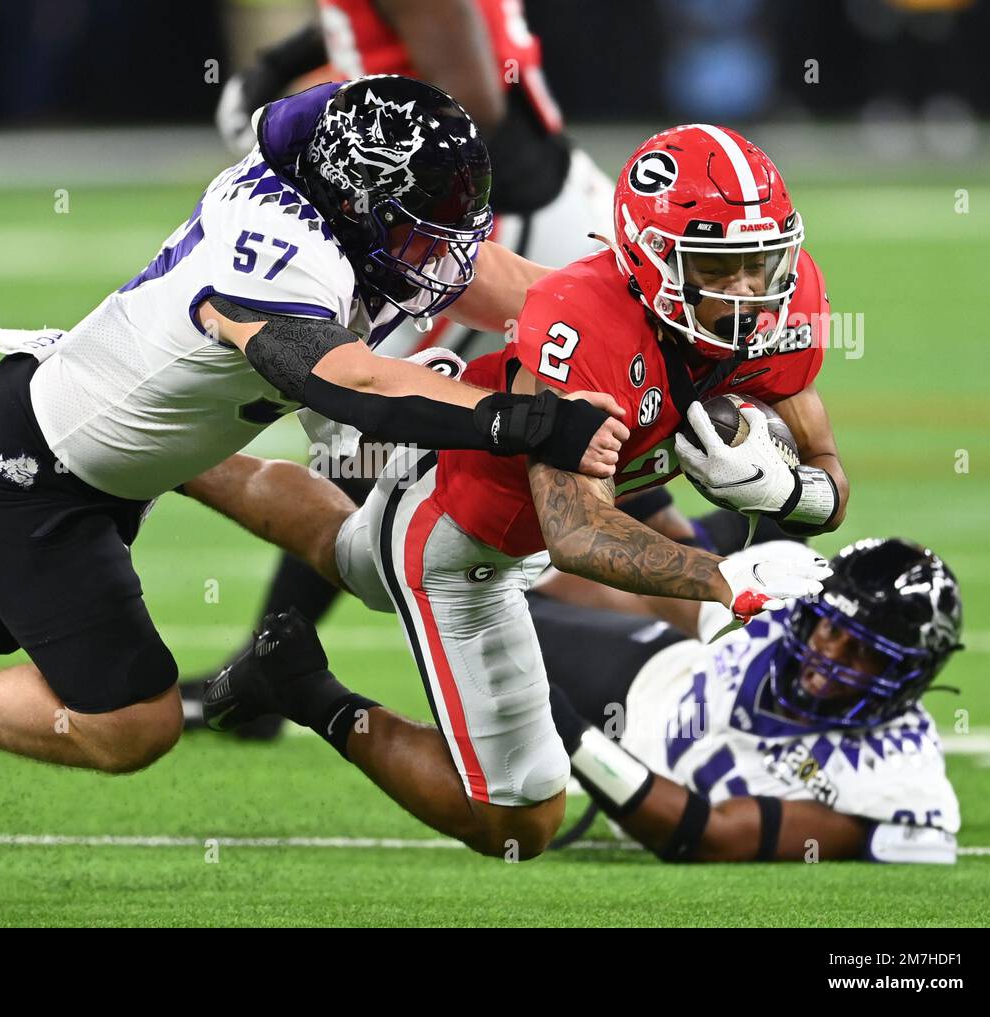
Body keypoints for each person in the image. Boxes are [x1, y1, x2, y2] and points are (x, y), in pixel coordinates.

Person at [0, 75, 631, 911]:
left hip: (78, 424)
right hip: (37, 475)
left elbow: (493, 281)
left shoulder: (330, 180)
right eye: (414, 227)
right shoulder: (281, 261)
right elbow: (356, 384)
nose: (439, 250)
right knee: (135, 720)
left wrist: (632, 323)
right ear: (356, 204)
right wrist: (524, 421)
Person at [201, 123, 850, 859]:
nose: (747, 292)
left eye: (759, 263)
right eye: (716, 266)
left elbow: (822, 451)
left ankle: (179, 463)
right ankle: (305, 687)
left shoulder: (777, 307)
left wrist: (802, 494)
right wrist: (724, 576)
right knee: (522, 821)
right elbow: (578, 533)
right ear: (654, 258)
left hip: (540, 507)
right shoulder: (589, 325)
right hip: (461, 531)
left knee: (343, 546)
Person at [182, 0, 620, 726]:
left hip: (485, 217)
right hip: (510, 204)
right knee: (385, 443)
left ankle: (676, 639)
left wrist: (327, 123)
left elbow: (471, 101)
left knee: (367, 421)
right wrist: (285, 65)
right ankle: (267, 668)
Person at [537, 538, 964, 864]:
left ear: (910, 673)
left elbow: (712, 837)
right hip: (649, 677)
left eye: (864, 651)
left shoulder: (896, 776)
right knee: (497, 631)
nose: (831, 655)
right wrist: (539, 586)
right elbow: (655, 589)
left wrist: (572, 735)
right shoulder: (783, 586)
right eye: (830, 629)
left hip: (653, 792)